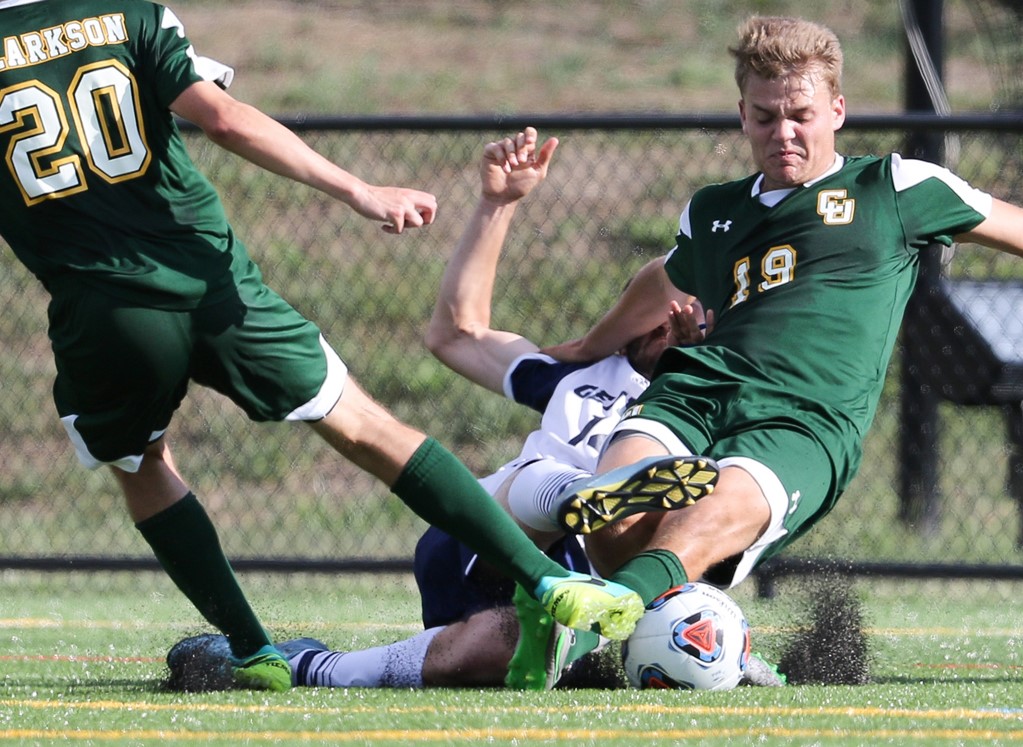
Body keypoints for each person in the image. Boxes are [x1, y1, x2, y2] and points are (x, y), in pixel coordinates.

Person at [514, 14, 1023, 685]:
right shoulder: (711, 212)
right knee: (608, 514)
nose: (784, 132)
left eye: (801, 115)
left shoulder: (893, 187)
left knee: (707, 513)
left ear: (836, 110)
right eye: (766, 116)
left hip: (804, 419)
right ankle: (694, 632)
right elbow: (658, 280)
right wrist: (578, 349)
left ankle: (607, 608)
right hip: (696, 386)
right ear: (741, 114)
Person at [0, 0, 645, 692]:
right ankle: (548, 579)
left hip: (104, 309)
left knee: (143, 462)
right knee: (365, 425)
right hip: (214, 282)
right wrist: (359, 190)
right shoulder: (127, 14)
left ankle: (253, 651)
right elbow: (220, 117)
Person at [166, 127, 771, 691]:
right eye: (669, 305)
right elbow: (456, 334)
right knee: (554, 485)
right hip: (483, 541)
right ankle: (583, 496)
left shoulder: (728, 413)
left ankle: (310, 664)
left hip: (585, 594)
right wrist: (497, 203)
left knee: (494, 650)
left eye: (698, 311)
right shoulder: (582, 374)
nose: (677, 314)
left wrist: (722, 644)